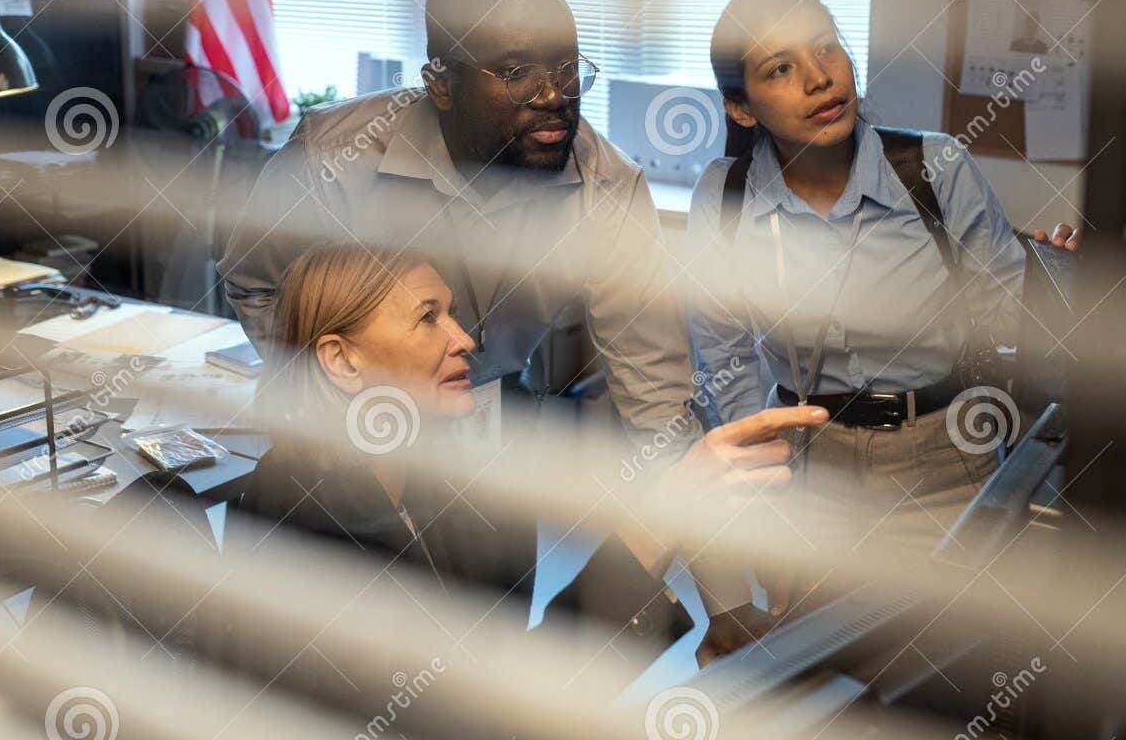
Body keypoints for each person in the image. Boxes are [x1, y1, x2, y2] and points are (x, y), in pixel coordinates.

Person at [221, 243, 824, 676]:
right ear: (342, 361)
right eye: (428, 317)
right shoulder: (292, 515)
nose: (465, 339)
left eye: (452, 313)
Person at [220, 0, 704, 465]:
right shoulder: (335, 155)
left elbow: (651, 373)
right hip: (348, 420)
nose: (555, 95)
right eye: (517, 72)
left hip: (497, 410)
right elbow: (256, 281)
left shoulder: (605, 184)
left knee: (496, 542)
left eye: (567, 67)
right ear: (441, 84)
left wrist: (684, 478)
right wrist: (326, 391)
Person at [686, 0, 1077, 564]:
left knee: (947, 646)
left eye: (826, 49)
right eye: (780, 69)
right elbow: (724, 355)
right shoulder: (726, 196)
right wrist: (766, 478)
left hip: (945, 456)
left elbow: (1013, 315)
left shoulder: (934, 167)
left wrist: (1062, 279)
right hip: (807, 464)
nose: (819, 78)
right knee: (811, 647)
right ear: (741, 107)